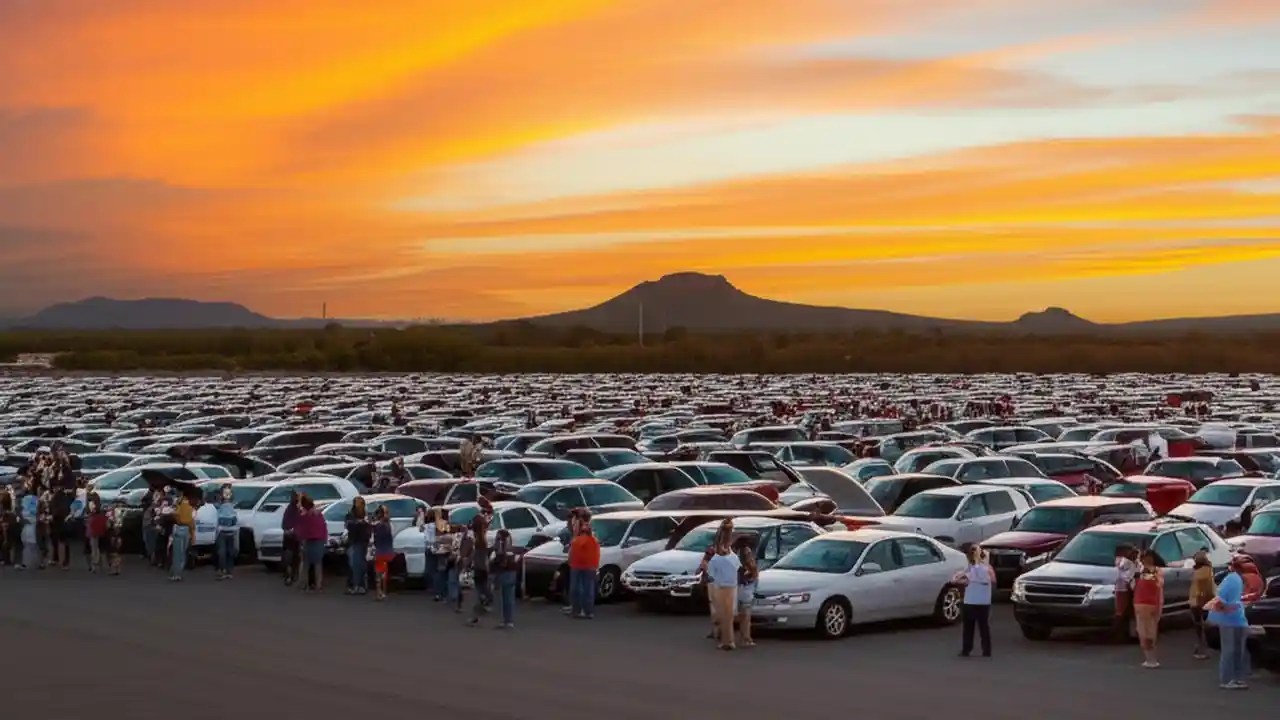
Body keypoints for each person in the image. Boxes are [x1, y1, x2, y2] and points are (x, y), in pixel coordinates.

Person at [1208, 555, 1251, 689]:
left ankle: (1236, 678)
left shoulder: (1237, 579)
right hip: (1230, 620)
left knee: (1237, 650)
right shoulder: (1232, 580)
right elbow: (1220, 599)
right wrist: (1226, 609)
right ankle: (1227, 679)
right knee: (1230, 650)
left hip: (1236, 619)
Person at [954, 544, 996, 658]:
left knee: (972, 627)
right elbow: (992, 579)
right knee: (980, 627)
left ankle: (969, 649)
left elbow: (956, 580)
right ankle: (982, 650)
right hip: (979, 601)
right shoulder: (980, 569)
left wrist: (970, 575)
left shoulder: (973, 570)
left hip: (974, 601)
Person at [698, 519, 734, 639]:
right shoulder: (726, 550)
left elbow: (704, 563)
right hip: (720, 581)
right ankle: (719, 631)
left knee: (717, 606)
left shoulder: (717, 549)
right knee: (720, 606)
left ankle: (719, 631)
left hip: (717, 581)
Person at [706, 542, 742, 650]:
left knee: (723, 615)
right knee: (729, 616)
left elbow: (711, 575)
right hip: (732, 587)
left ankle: (726, 641)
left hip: (721, 588)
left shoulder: (715, 560)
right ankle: (729, 641)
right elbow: (738, 569)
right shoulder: (734, 557)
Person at [1132, 549, 1164, 668]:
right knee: (1151, 630)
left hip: (1141, 603)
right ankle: (1152, 658)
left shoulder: (1141, 572)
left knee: (1143, 631)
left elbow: (1133, 586)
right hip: (1152, 603)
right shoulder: (1158, 572)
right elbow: (1159, 588)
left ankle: (1150, 659)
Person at [568, 519, 601, 620]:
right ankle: (588, 611)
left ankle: (576, 610)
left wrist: (570, 563)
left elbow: (571, 553)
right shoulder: (594, 541)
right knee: (588, 589)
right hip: (590, 567)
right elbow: (597, 554)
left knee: (576, 589)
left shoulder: (576, 540)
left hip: (577, 566)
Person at [1188, 549, 1216, 661]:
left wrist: (1201, 601)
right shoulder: (1206, 570)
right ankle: (1201, 648)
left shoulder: (1203, 571)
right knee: (1201, 626)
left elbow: (1203, 589)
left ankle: (1202, 649)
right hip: (1200, 600)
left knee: (1200, 627)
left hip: (1199, 601)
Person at [296, 495, 327, 592]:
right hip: (319, 540)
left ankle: (302, 583)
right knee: (318, 564)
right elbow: (324, 527)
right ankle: (318, 584)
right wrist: (324, 539)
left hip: (308, 541)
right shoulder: (319, 515)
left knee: (305, 563)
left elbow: (300, 530)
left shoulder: (303, 517)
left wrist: (300, 540)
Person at [490, 527, 519, 629]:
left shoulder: (503, 550)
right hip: (508, 573)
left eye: (498, 538)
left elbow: (501, 562)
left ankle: (508, 620)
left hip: (506, 574)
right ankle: (507, 620)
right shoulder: (509, 549)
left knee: (506, 598)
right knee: (506, 598)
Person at [467, 514, 492, 624]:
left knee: (475, 593)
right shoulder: (484, 538)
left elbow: (473, 555)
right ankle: (486, 602)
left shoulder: (475, 539)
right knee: (483, 589)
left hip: (477, 567)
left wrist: (466, 563)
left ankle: (475, 616)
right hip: (484, 568)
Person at [733, 535, 758, 649]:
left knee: (738, 613)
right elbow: (751, 566)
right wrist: (754, 573)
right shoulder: (746, 551)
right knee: (746, 614)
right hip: (745, 585)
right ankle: (746, 638)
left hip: (736, 584)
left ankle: (728, 635)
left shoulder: (733, 553)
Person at [1112, 544, 1139, 643]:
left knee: (1126, 612)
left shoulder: (1121, 562)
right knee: (1123, 612)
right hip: (1124, 589)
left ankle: (1127, 634)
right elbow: (1128, 576)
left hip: (1123, 588)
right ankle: (1120, 634)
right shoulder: (1125, 562)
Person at [345, 497, 371, 595]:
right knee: (355, 564)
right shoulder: (351, 515)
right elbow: (349, 525)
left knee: (360, 565)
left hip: (362, 542)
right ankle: (355, 585)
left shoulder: (365, 514)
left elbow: (368, 527)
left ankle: (360, 585)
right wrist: (359, 523)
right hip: (355, 542)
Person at [169, 491, 196, 582]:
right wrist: (193, 535)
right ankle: (178, 573)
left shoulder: (179, 506)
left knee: (178, 552)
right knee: (182, 552)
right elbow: (192, 522)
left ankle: (176, 573)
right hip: (186, 530)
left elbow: (175, 515)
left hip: (179, 528)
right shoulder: (189, 507)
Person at [214, 484, 239, 580]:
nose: (227, 495)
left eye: (229, 492)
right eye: (225, 492)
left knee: (229, 552)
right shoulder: (219, 506)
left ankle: (228, 571)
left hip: (230, 532)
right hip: (222, 532)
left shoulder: (233, 506)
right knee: (222, 553)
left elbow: (235, 520)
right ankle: (223, 570)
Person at [428, 509, 453, 601]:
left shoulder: (435, 525)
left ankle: (439, 593)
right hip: (443, 551)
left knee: (439, 572)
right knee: (442, 573)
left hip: (439, 551)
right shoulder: (443, 524)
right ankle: (443, 593)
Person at [372, 505, 395, 601]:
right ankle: (384, 591)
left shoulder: (376, 526)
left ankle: (379, 592)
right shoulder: (389, 525)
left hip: (380, 551)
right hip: (388, 551)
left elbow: (374, 540)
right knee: (385, 571)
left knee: (378, 572)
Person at [281, 491, 301, 586]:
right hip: (291, 537)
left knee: (292, 558)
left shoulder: (293, 509)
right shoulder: (293, 509)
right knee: (291, 558)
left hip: (293, 537)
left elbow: (284, 523)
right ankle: (290, 576)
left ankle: (290, 576)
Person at [84, 493, 108, 573]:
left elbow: (88, 515)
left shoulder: (91, 506)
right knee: (100, 548)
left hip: (92, 529)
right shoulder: (101, 509)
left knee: (94, 548)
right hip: (100, 529)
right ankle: (101, 565)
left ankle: (94, 566)